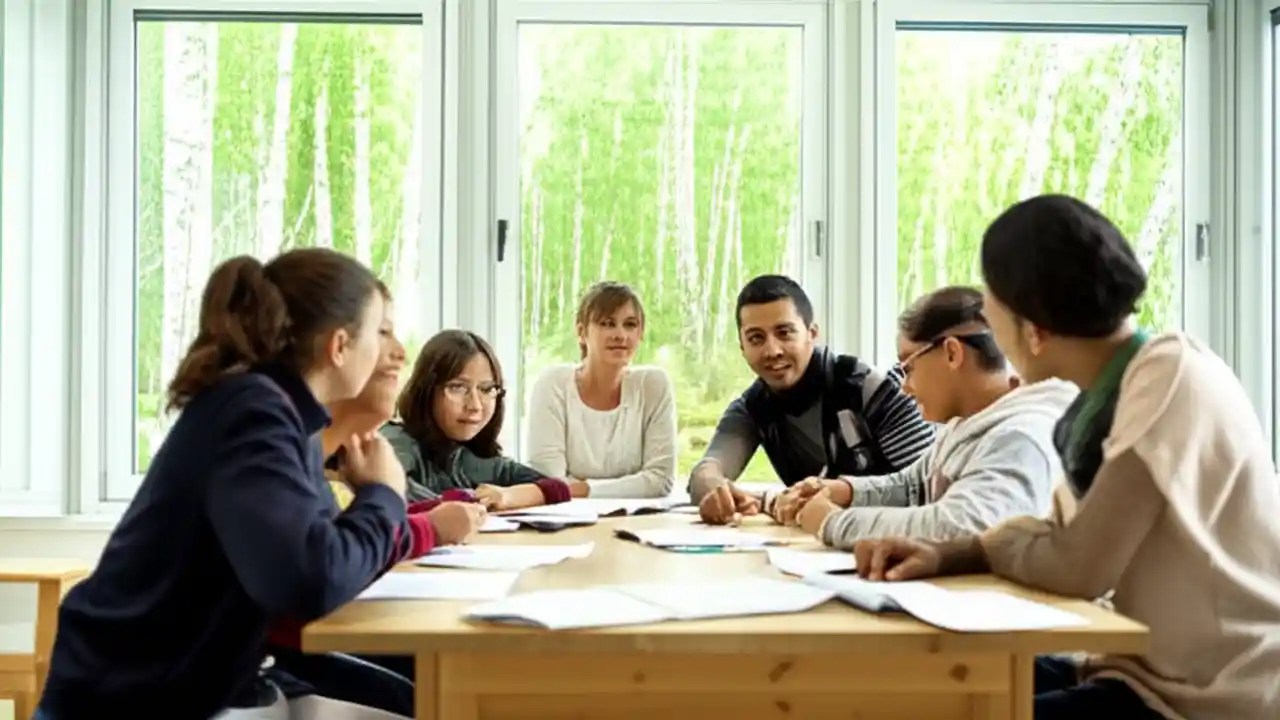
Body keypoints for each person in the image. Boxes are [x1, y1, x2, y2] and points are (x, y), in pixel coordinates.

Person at [853, 195, 1280, 720]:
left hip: (1205, 696)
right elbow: (1058, 538)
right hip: (1129, 670)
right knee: (904, 685)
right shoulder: (1100, 402)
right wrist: (947, 553)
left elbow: (1078, 564)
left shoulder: (1167, 378)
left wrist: (990, 547)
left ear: (1034, 326)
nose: (985, 314)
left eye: (993, 296)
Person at [37, 249, 414, 718]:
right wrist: (383, 494)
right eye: (379, 332)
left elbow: (319, 559)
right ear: (340, 346)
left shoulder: (274, 414)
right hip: (121, 701)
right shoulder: (253, 413)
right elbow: (311, 578)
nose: (391, 350)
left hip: (164, 690)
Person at [265, 284, 484, 718]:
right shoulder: (269, 440)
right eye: (383, 332)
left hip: (279, 648)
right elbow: (325, 575)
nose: (401, 353)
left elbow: (332, 542)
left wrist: (411, 513)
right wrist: (394, 502)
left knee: (449, 673)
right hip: (255, 666)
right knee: (435, 694)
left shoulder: (303, 439)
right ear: (338, 346)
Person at [777, 285, 1076, 546]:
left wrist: (834, 523)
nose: (905, 387)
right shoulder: (966, 423)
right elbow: (914, 485)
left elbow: (963, 527)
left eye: (908, 367)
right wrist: (842, 491)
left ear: (951, 353)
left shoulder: (1020, 437)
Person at [690, 275, 935, 524]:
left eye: (784, 333)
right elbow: (704, 473)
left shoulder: (873, 390)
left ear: (812, 333)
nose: (772, 350)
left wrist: (833, 495)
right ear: (742, 348)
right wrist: (717, 491)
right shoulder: (752, 407)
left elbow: (930, 487)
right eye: (756, 338)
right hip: (819, 547)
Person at [383, 329, 572, 511]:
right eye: (458, 388)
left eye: (486, 389)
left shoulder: (470, 459)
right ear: (426, 391)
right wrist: (465, 503)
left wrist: (507, 496)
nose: (475, 405)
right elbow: (388, 488)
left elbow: (556, 488)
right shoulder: (397, 440)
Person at [525, 281, 677, 498]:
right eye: (607, 323)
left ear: (641, 333)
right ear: (581, 332)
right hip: (567, 521)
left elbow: (660, 480)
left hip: (639, 521)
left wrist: (585, 489)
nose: (620, 335)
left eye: (630, 325)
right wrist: (629, 486)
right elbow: (548, 481)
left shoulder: (653, 385)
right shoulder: (553, 384)